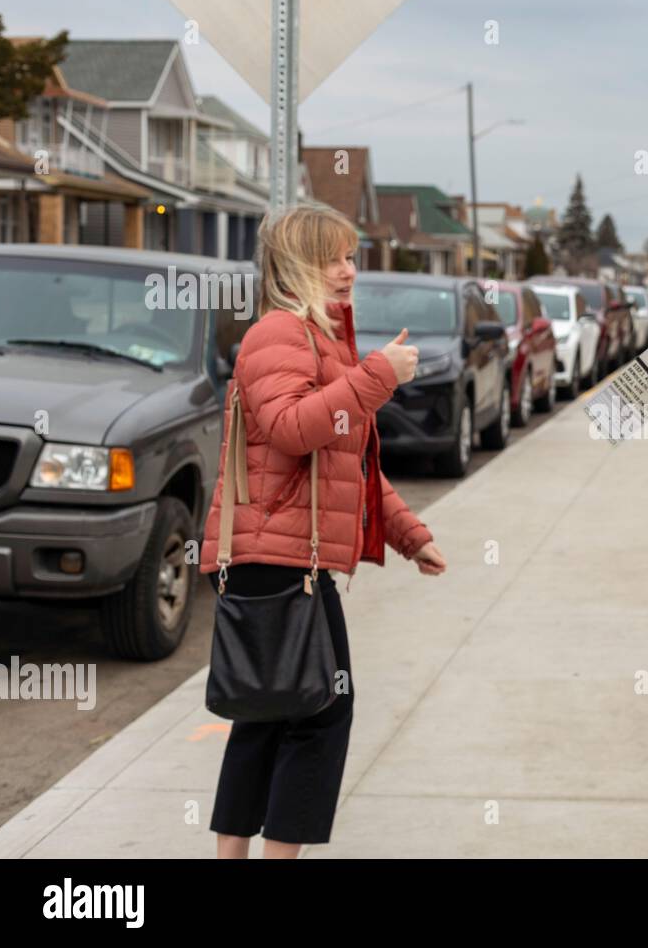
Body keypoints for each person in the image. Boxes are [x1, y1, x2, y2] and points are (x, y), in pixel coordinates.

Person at [198, 202, 448, 858]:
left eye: (351, 256)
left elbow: (348, 467)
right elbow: (290, 428)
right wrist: (376, 380)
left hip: (280, 560)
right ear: (299, 266)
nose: (349, 271)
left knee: (268, 714)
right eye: (334, 258)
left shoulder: (319, 340)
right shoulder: (278, 335)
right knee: (318, 714)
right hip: (274, 558)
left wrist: (408, 534)